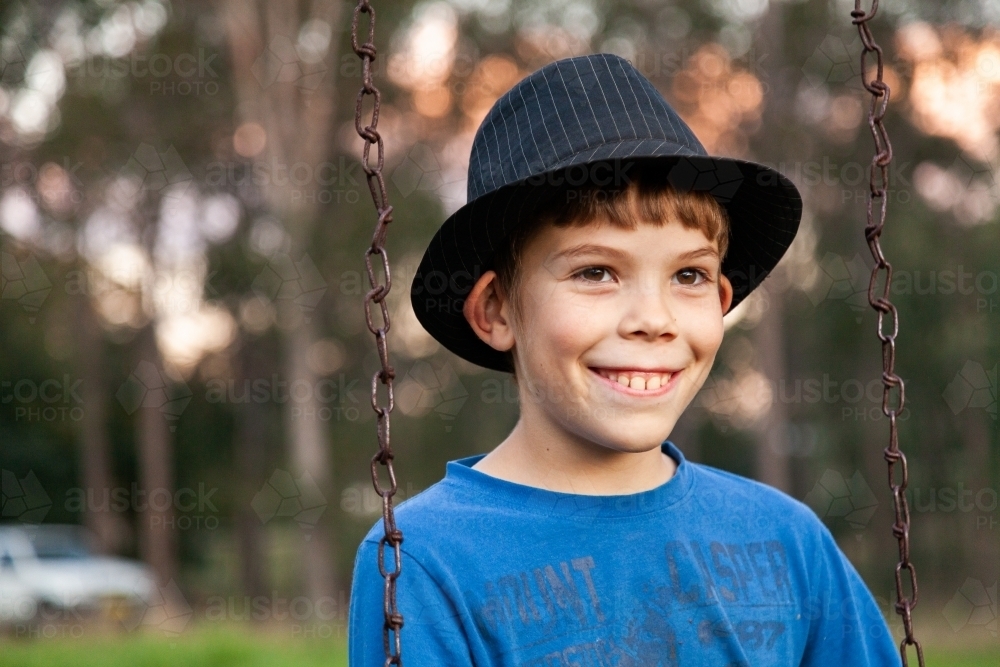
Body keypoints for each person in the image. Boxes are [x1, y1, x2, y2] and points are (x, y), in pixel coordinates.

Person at [348, 53, 900, 666]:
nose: (654, 319)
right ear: (498, 310)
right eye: (596, 272)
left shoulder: (788, 541)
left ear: (721, 302)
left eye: (688, 275)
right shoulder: (425, 560)